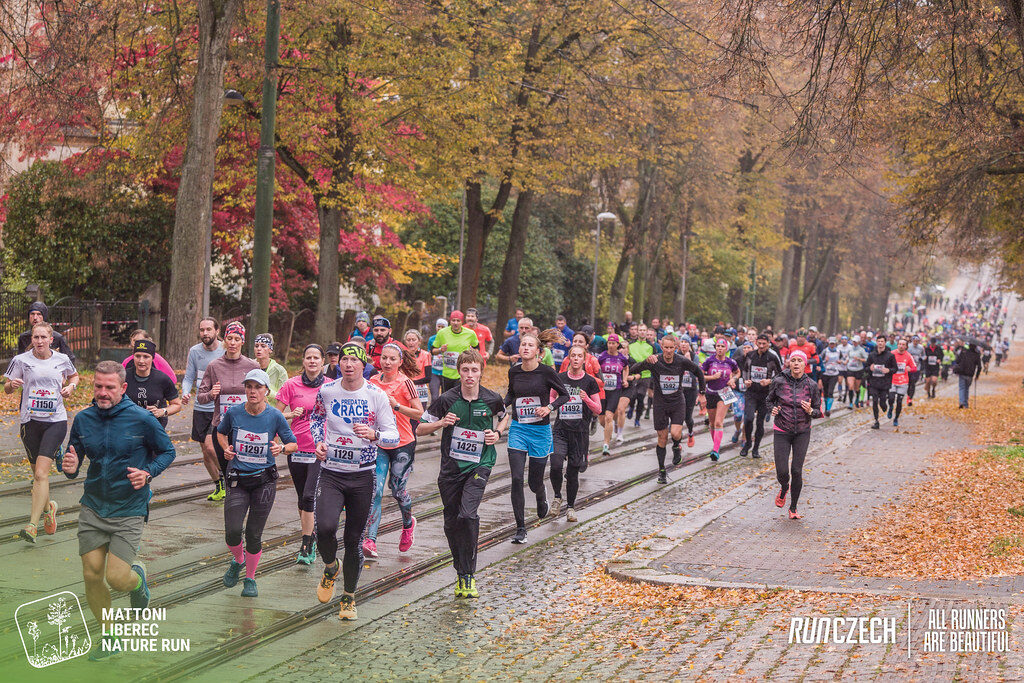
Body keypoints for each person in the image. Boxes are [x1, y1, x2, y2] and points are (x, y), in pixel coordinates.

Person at [61, 361, 176, 659]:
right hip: (94, 506)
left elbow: (168, 451)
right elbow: (74, 460)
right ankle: (109, 636)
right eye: (98, 386)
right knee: (91, 574)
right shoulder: (84, 419)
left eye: (109, 387)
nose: (102, 392)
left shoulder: (142, 419)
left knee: (116, 578)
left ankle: (137, 580)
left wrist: (148, 472)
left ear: (123, 388)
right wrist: (70, 469)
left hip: (128, 508)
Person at [310, 342, 399, 621]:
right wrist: (318, 443)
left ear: (364, 365)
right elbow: (316, 418)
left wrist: (374, 435)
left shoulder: (376, 395)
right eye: (344, 360)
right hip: (332, 472)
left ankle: (348, 597)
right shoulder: (327, 391)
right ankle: (329, 566)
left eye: (354, 360)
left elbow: (393, 436)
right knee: (323, 529)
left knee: (353, 539)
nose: (348, 364)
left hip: (362, 475)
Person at [417, 348, 505, 598]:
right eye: (465, 370)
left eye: (474, 370)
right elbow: (420, 429)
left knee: (467, 516)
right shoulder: (446, 399)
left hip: (480, 464)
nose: (469, 375)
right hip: (451, 470)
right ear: (459, 372)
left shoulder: (492, 398)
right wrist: (441, 423)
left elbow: (503, 417)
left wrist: (496, 434)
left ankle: (468, 575)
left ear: (481, 372)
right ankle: (461, 572)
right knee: (452, 522)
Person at [217, 369, 297, 597]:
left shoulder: (275, 416)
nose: (252, 391)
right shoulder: (234, 413)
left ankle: (250, 579)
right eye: (249, 387)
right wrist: (226, 449)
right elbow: (220, 433)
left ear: (266, 391)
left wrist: (280, 448)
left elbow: (293, 444)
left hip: (264, 481)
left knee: (253, 533)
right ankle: (238, 560)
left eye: (257, 387)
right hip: (237, 480)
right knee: (232, 532)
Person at [5, 322, 79, 542]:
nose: (39, 341)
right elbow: (6, 387)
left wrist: (70, 387)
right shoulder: (21, 361)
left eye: (43, 337)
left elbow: (74, 377)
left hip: (55, 421)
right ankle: (49, 508)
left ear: (51, 340)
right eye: (35, 337)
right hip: (30, 423)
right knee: (38, 475)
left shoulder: (62, 360)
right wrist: (13, 385)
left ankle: (32, 525)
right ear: (32, 340)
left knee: (40, 474)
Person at [504, 330, 569, 544]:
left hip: (540, 431)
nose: (525, 348)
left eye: (530, 345)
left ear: (538, 351)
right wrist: (500, 405)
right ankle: (521, 528)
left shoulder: (547, 372)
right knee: (515, 479)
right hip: (518, 429)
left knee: (534, 481)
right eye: (523, 344)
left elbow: (565, 395)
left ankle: (542, 497)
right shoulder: (514, 372)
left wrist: (548, 407)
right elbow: (512, 394)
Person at [364, 343, 423, 558]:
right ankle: (370, 539)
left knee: (397, 490)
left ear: (400, 362)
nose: (387, 362)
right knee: (376, 490)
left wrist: (397, 406)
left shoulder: (405, 383)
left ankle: (408, 525)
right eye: (385, 358)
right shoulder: (372, 382)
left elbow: (420, 414)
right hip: (379, 443)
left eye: (392, 359)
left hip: (402, 444)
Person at [628, 334, 706, 483]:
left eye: (671, 348)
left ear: (675, 348)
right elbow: (633, 369)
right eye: (666, 348)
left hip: (677, 402)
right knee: (662, 438)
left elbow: (698, 372)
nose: (669, 351)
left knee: (676, 433)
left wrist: (702, 393)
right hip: (660, 404)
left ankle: (677, 446)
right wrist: (646, 360)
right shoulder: (655, 361)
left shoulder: (681, 361)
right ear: (661, 347)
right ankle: (662, 471)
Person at [276, 344, 328, 565]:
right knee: (302, 499)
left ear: (323, 362)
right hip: (295, 448)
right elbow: (275, 415)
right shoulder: (291, 385)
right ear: (303, 362)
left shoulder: (331, 386)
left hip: (319, 450)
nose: (312, 361)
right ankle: (312, 535)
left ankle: (306, 544)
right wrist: (290, 414)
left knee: (309, 496)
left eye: (316, 357)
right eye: (308, 357)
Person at [197, 321, 260, 501]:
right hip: (222, 428)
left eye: (237, 339)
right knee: (228, 471)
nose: (232, 342)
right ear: (224, 340)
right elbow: (200, 396)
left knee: (246, 469)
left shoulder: (252, 366)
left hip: (246, 427)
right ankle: (232, 505)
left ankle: (245, 502)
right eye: (229, 338)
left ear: (242, 341)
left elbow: (264, 393)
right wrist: (211, 394)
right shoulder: (214, 366)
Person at [766, 350, 821, 520]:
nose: (796, 364)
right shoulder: (779, 381)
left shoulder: (811, 385)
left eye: (799, 361)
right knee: (782, 472)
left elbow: (819, 411)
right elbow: (769, 400)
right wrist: (772, 409)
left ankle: (793, 507)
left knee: (796, 470)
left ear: (805, 364)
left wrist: (811, 410)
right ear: (788, 363)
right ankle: (784, 488)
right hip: (782, 430)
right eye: (793, 360)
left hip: (802, 432)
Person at [551, 346, 602, 519]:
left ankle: (570, 507)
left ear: (584, 360)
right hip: (560, 430)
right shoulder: (559, 378)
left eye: (579, 356)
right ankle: (557, 496)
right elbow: (550, 397)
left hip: (580, 433)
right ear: (569, 358)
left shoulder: (590, 382)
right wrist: (553, 404)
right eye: (573, 355)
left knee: (573, 471)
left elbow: (598, 409)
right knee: (556, 464)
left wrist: (586, 398)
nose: (576, 359)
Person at [182, 317, 226, 502]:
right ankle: (220, 486)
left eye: (209, 329)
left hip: (219, 408)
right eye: (202, 330)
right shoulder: (195, 351)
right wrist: (185, 393)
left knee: (211, 447)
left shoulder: (225, 349)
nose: (205, 333)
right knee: (205, 451)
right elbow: (188, 377)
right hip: (200, 406)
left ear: (217, 331)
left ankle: (231, 477)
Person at [738, 334, 783, 458]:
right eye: (759, 343)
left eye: (764, 344)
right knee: (748, 418)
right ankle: (747, 443)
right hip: (751, 393)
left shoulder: (772, 357)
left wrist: (770, 381)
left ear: (769, 343)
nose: (762, 346)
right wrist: (746, 380)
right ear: (756, 343)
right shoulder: (750, 355)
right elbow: (745, 369)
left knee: (760, 422)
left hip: (765, 395)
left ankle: (756, 448)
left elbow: (780, 375)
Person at [123, 339, 181, 429]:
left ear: (153, 358)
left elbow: (177, 405)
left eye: (146, 357)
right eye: (137, 356)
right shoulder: (123, 377)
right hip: (128, 426)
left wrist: (162, 411)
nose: (141, 361)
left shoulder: (162, 379)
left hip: (155, 427)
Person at [701, 338, 740, 461]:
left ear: (726, 348)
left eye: (722, 346)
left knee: (718, 422)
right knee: (712, 423)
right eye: (718, 346)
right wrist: (712, 377)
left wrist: (733, 379)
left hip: (725, 393)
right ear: (715, 347)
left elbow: (738, 372)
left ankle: (716, 450)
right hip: (711, 393)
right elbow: (700, 376)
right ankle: (716, 446)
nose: (720, 348)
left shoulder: (731, 362)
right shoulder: (709, 361)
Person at [597, 334, 631, 453]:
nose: (611, 345)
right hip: (602, 391)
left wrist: (625, 379)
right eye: (609, 343)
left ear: (617, 344)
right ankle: (610, 430)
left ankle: (606, 444)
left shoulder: (622, 357)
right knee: (601, 419)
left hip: (615, 390)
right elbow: (596, 369)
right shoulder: (602, 356)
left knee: (608, 417)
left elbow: (626, 368)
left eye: (613, 343)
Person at [432, 311, 481, 392]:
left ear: (462, 322)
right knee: (446, 399)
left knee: (459, 398)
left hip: (463, 374)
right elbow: (433, 350)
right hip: (446, 374)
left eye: (458, 321)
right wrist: (440, 349)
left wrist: (473, 354)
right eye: (453, 320)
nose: (455, 323)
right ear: (450, 321)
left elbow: (477, 349)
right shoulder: (442, 333)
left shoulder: (470, 333)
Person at [865, 335, 898, 429]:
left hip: (885, 383)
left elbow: (895, 369)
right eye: (878, 341)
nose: (880, 343)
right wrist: (869, 368)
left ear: (885, 343)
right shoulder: (871, 355)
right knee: (875, 401)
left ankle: (884, 405)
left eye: (882, 341)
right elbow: (866, 368)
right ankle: (876, 421)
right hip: (874, 382)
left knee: (882, 402)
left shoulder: (890, 355)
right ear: (876, 342)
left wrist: (888, 370)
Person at [626, 324, 655, 426]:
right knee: (633, 395)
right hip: (633, 373)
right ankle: (631, 407)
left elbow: (654, 361)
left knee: (641, 397)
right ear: (637, 332)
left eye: (644, 330)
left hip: (646, 375)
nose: (642, 332)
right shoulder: (631, 344)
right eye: (640, 330)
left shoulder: (651, 346)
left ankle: (637, 419)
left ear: (647, 332)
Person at [887, 338, 917, 427]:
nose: (901, 346)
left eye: (903, 345)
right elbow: (885, 364)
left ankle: (896, 418)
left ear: (906, 346)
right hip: (892, 380)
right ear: (897, 345)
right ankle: (891, 407)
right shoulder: (892, 354)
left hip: (903, 381)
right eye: (900, 344)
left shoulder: (908, 356)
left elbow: (914, 367)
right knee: (891, 398)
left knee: (899, 401)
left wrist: (910, 369)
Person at [404, 328, 434, 408]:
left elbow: (428, 378)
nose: (411, 343)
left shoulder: (425, 355)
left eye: (413, 340)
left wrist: (412, 382)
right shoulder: (402, 355)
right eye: (408, 340)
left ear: (419, 341)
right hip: (406, 388)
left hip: (420, 388)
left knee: (419, 416)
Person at [253, 333, 289, 398]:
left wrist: (268, 392)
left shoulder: (280, 371)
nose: (259, 349)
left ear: (270, 349)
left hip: (273, 407)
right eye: (256, 346)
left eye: (263, 346)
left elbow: (285, 396)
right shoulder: (249, 366)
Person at [953, 342, 982, 409]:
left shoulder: (963, 352)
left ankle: (961, 402)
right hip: (970, 374)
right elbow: (979, 367)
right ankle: (965, 404)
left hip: (962, 372)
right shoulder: (977, 355)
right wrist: (977, 375)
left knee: (962, 388)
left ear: (969, 346)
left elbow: (957, 361)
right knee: (966, 389)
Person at [818, 337, 842, 416]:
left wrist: (840, 362)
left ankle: (828, 409)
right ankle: (825, 408)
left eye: (833, 344)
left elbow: (842, 359)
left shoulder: (839, 351)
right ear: (829, 344)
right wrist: (825, 361)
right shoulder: (825, 351)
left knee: (830, 392)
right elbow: (820, 361)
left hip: (834, 374)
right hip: (825, 374)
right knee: (825, 391)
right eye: (831, 344)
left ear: (835, 344)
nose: (832, 345)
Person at [427, 319, 448, 401]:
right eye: (438, 326)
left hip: (446, 372)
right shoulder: (432, 339)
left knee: (445, 397)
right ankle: (433, 413)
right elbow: (429, 353)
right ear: (436, 327)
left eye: (442, 327)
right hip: (434, 371)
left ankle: (444, 413)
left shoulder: (449, 339)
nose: (440, 329)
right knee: (434, 397)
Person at [845, 337, 868, 407]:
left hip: (858, 370)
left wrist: (859, 359)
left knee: (857, 388)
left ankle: (857, 399)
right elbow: (848, 356)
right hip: (850, 369)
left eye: (855, 341)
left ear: (858, 342)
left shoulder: (861, 350)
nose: (854, 343)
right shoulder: (850, 349)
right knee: (851, 386)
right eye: (853, 341)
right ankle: (851, 403)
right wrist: (847, 360)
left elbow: (866, 359)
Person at [905, 335, 926, 406]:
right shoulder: (908, 346)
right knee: (909, 383)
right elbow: (904, 354)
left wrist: (922, 358)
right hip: (909, 368)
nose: (916, 342)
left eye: (917, 341)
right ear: (912, 340)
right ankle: (909, 396)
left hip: (917, 367)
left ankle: (910, 397)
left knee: (913, 383)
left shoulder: (921, 347)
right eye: (914, 341)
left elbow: (924, 356)